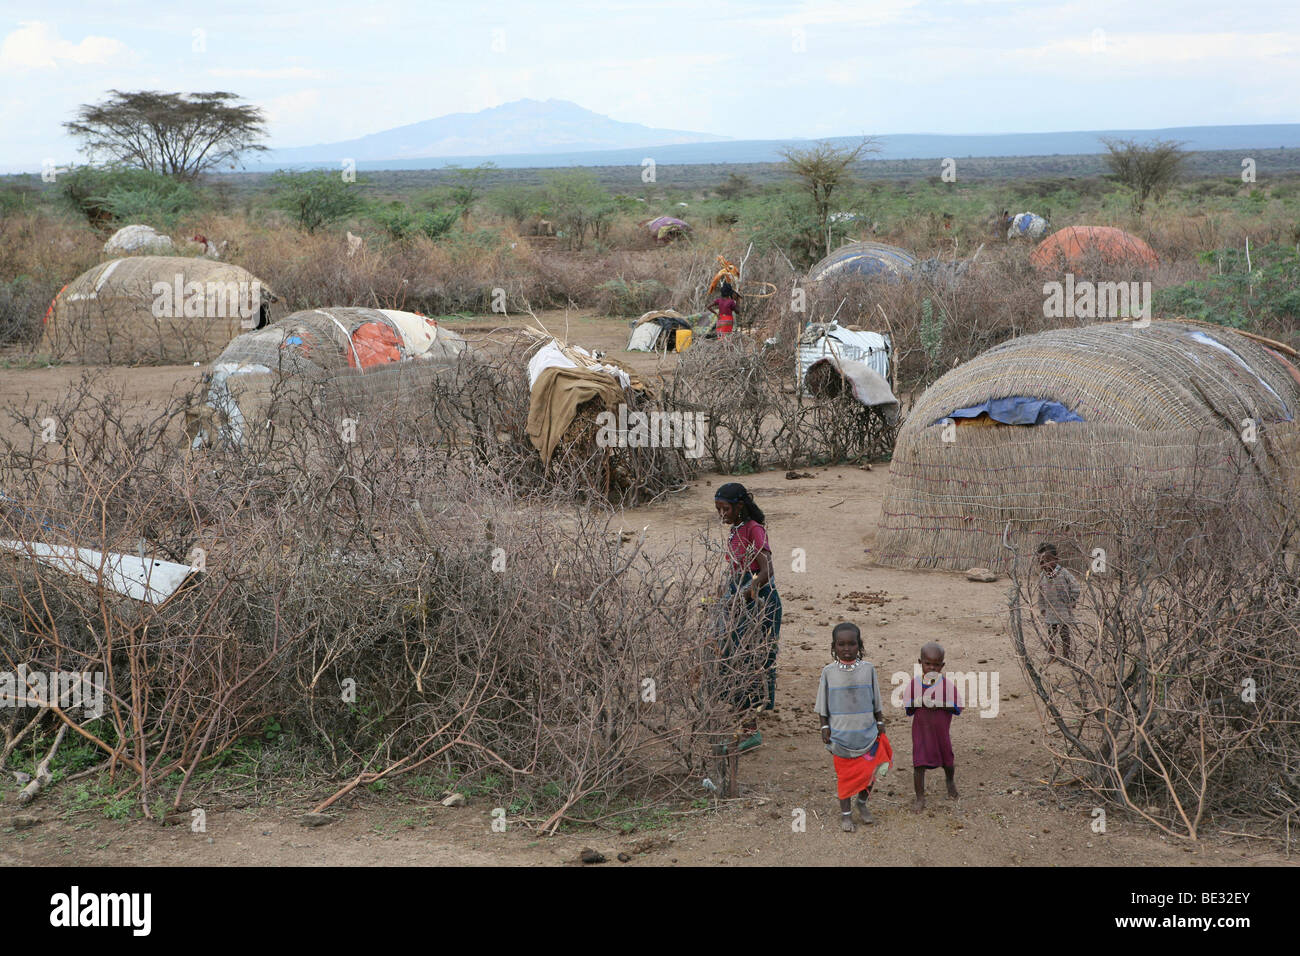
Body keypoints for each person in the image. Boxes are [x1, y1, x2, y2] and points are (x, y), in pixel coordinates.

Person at [713, 483, 782, 747]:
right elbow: (735, 568)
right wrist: (721, 594)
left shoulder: (754, 529)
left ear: (740, 506)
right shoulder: (735, 531)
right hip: (740, 603)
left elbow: (766, 571)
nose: (722, 514)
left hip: (760, 605)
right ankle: (741, 719)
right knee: (730, 657)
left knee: (751, 662)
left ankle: (751, 729)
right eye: (718, 509)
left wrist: (742, 594)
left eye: (726, 508)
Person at [816, 622, 892, 831]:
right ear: (834, 646)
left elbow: (876, 700)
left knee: (869, 774)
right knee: (846, 778)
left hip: (867, 735)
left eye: (852, 644)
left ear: (860, 645)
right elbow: (822, 705)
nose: (847, 648)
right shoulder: (828, 672)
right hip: (840, 737)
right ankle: (846, 815)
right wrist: (824, 727)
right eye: (841, 644)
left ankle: (862, 804)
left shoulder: (868, 670)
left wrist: (879, 722)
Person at [903, 641, 960, 812]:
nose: (931, 668)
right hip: (921, 732)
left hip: (941, 733)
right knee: (919, 764)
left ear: (942, 665)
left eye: (936, 665)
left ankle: (950, 781)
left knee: (947, 761)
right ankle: (920, 797)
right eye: (928, 664)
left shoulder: (947, 685)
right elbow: (909, 708)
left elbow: (957, 707)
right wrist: (918, 701)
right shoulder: (915, 684)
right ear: (920, 663)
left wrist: (940, 704)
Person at [1036, 543, 1079, 659]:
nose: (1045, 565)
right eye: (1041, 562)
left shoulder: (1064, 573)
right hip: (1050, 612)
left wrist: (1072, 602)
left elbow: (1075, 587)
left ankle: (1066, 655)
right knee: (1051, 635)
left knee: (1065, 634)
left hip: (1064, 611)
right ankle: (1052, 655)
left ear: (1056, 559)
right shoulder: (1042, 576)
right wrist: (1042, 608)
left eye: (1048, 561)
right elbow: (1040, 594)